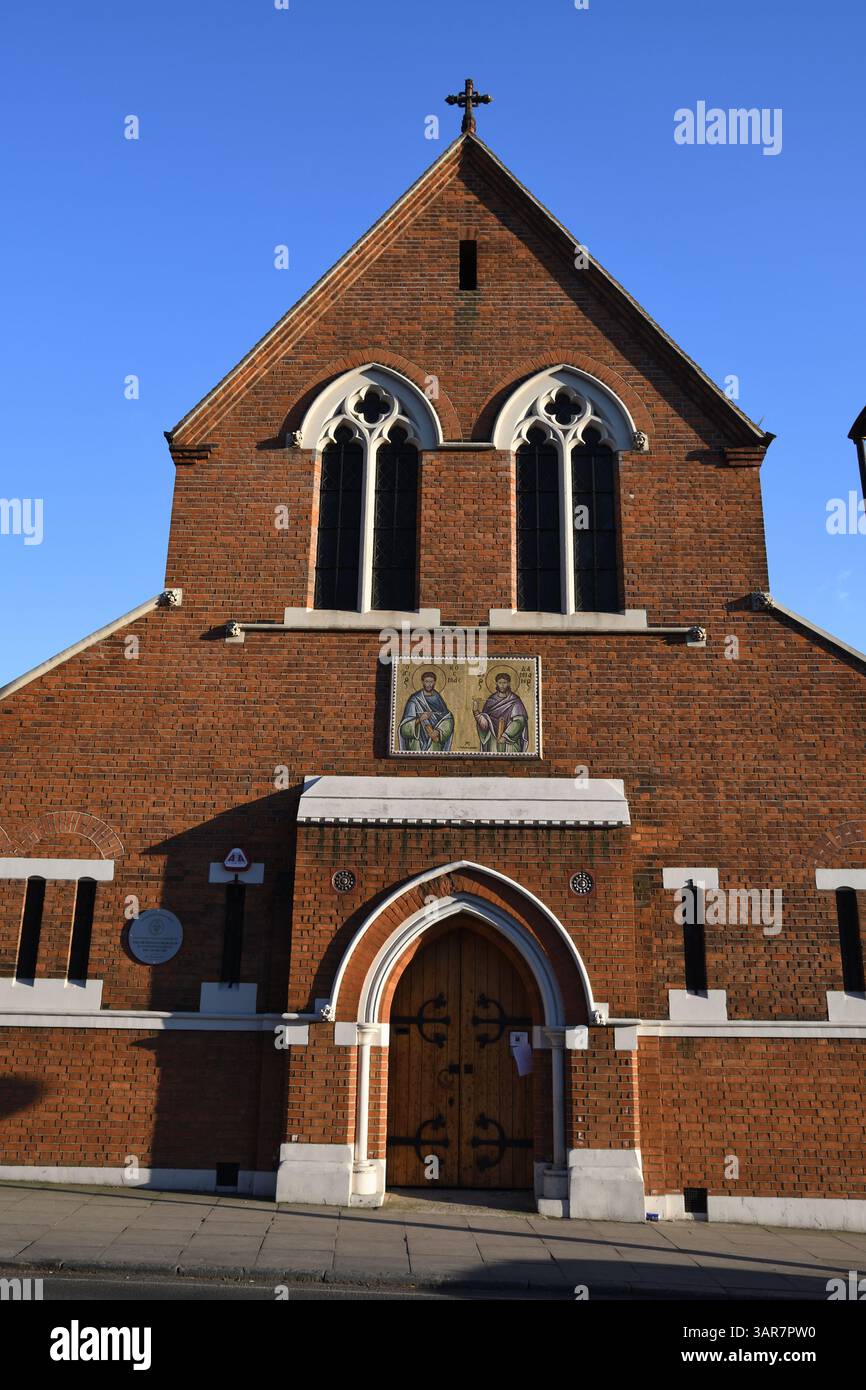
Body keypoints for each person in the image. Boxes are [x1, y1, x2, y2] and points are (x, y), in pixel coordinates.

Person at [473, 672, 529, 754]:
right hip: (493, 741)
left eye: (504, 683)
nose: (502, 685)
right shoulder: (491, 700)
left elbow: (519, 721)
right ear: (496, 683)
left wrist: (505, 736)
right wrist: (476, 713)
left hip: (510, 741)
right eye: (500, 683)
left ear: (508, 684)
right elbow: (486, 725)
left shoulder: (515, 700)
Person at [398, 671, 454, 752]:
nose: (429, 684)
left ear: (434, 682)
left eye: (431, 682)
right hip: (417, 743)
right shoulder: (414, 700)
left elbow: (448, 718)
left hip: (434, 743)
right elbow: (404, 729)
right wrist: (420, 719)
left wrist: (438, 732)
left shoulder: (438, 698)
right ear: (422, 682)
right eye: (426, 681)